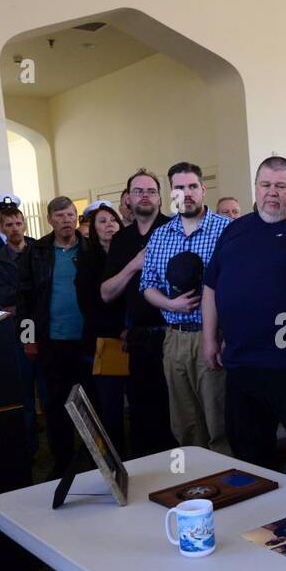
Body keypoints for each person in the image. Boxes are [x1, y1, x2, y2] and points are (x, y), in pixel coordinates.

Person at [202, 156, 286, 483]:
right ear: (256, 188)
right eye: (265, 185)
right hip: (242, 365)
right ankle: (259, 523)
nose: (272, 193)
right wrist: (208, 338)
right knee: (249, 459)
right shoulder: (236, 230)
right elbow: (211, 285)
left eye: (281, 186)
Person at [141, 162, 232, 452]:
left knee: (219, 420)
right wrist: (170, 303)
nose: (187, 193)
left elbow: (237, 287)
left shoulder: (227, 230)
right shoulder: (161, 235)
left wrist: (226, 335)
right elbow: (147, 285)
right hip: (174, 339)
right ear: (172, 193)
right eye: (180, 187)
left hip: (212, 336)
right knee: (185, 421)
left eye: (193, 186)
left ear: (203, 189)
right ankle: (194, 484)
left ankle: (229, 483)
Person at [17, 196, 92, 476]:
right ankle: (63, 462)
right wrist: (28, 338)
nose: (66, 221)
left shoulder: (90, 248)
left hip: (86, 341)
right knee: (55, 405)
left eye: (71, 215)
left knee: (89, 403)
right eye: (60, 216)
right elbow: (24, 297)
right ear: (50, 220)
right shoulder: (35, 251)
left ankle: (93, 458)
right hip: (51, 342)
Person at [104, 170, 176, 458]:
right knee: (140, 413)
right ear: (128, 199)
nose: (144, 195)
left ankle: (179, 476)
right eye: (138, 191)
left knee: (174, 414)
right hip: (136, 341)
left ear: (160, 198)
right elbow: (106, 293)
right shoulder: (121, 240)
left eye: (150, 190)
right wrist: (135, 264)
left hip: (172, 337)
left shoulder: (174, 231)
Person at [74, 201, 133, 457]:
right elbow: (89, 306)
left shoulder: (129, 255)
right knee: (110, 409)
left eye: (113, 220)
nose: (109, 225)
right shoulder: (88, 261)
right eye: (102, 221)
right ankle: (113, 460)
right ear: (93, 229)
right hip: (106, 342)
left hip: (135, 339)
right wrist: (118, 328)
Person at [0, 204, 41, 455]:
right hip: (19, 330)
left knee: (51, 390)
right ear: (1, 227)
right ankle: (29, 450)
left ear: (24, 223)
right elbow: (3, 296)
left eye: (18, 223)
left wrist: (26, 298)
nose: (15, 229)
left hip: (45, 327)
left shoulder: (40, 250)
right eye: (9, 225)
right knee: (25, 392)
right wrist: (31, 296)